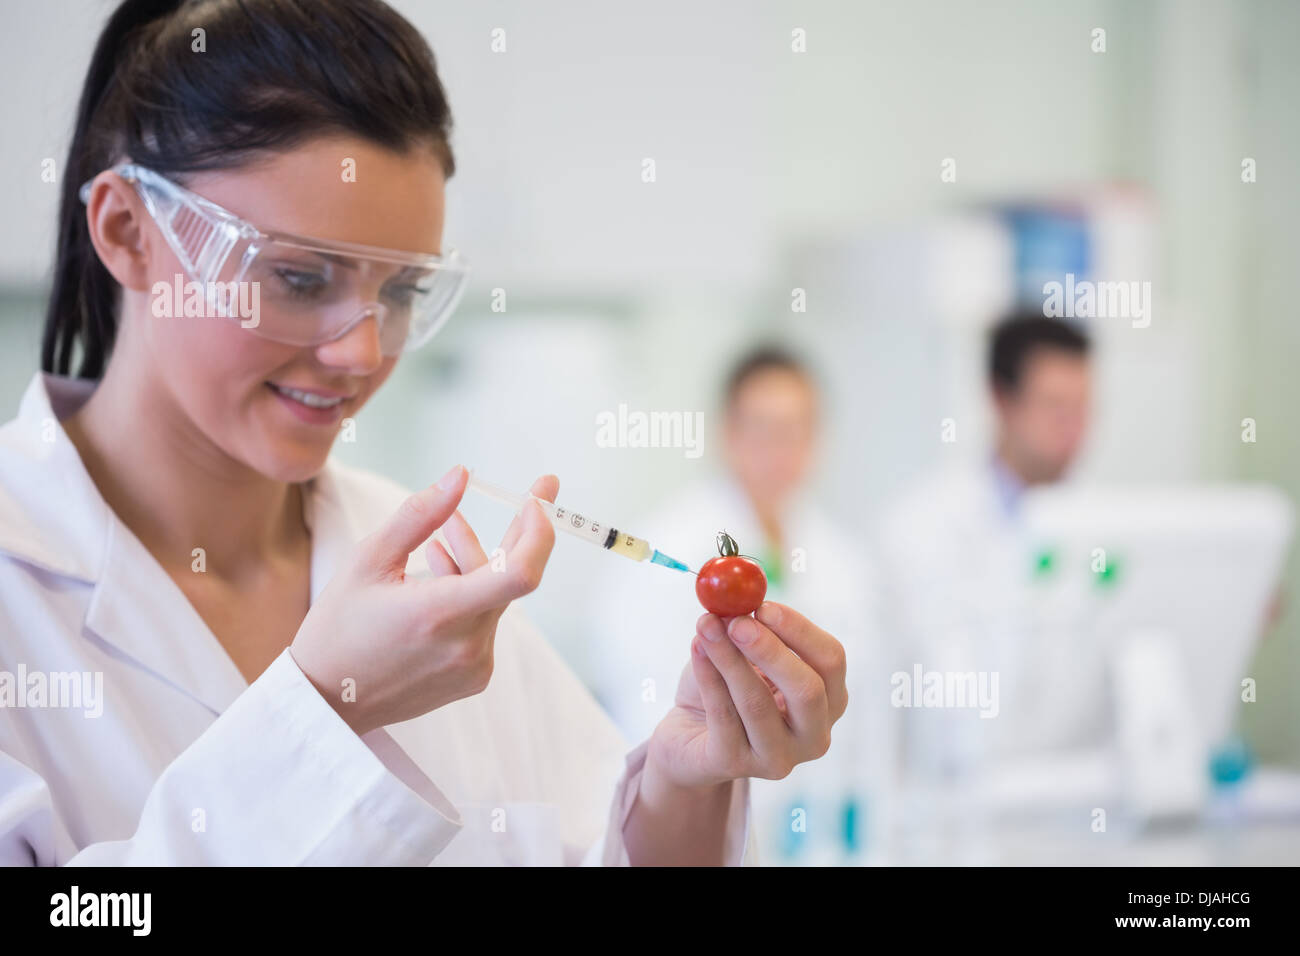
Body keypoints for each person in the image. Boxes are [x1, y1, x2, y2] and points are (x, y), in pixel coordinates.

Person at [0, 0, 848, 866]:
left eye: (400, 293)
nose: (362, 350)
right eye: (298, 277)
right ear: (127, 232)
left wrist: (682, 785)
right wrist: (323, 706)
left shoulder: (434, 579)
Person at [590, 346, 886, 864]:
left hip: (828, 835)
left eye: (798, 430)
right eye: (765, 429)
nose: (782, 449)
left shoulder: (846, 559)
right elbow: (646, 712)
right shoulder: (674, 545)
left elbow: (870, 714)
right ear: (729, 434)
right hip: (707, 830)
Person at [877, 312, 1103, 776]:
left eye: (1083, 409)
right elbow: (948, 704)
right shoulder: (922, 526)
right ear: (1001, 400)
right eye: (1056, 407)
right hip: (961, 803)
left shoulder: (1104, 526)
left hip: (1080, 801)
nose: (1074, 429)